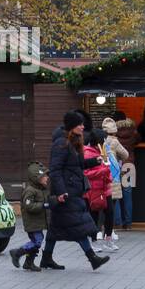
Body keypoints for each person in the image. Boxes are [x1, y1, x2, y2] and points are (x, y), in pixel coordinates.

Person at [41, 111, 110, 271]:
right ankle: (92, 258)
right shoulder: (61, 144)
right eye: (79, 124)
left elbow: (77, 166)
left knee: (55, 228)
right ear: (72, 126)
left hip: (72, 190)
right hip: (67, 193)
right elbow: (55, 169)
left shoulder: (73, 142)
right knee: (78, 225)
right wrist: (60, 191)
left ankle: (45, 258)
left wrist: (94, 161)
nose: (83, 126)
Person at [9, 162, 50, 271]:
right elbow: (28, 206)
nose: (47, 178)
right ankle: (17, 253)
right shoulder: (30, 190)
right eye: (44, 176)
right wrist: (43, 205)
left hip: (38, 222)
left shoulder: (41, 189)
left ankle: (29, 263)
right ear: (37, 178)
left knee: (38, 241)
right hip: (32, 222)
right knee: (37, 241)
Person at [99, 117, 129, 251]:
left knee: (101, 205)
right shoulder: (115, 142)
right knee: (111, 206)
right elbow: (125, 155)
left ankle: (99, 230)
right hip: (113, 177)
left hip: (101, 176)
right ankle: (110, 233)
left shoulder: (100, 142)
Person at [112, 111, 138, 230]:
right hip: (129, 164)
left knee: (116, 194)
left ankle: (118, 223)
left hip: (116, 166)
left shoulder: (112, 133)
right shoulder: (133, 132)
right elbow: (138, 140)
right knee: (128, 195)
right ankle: (128, 224)